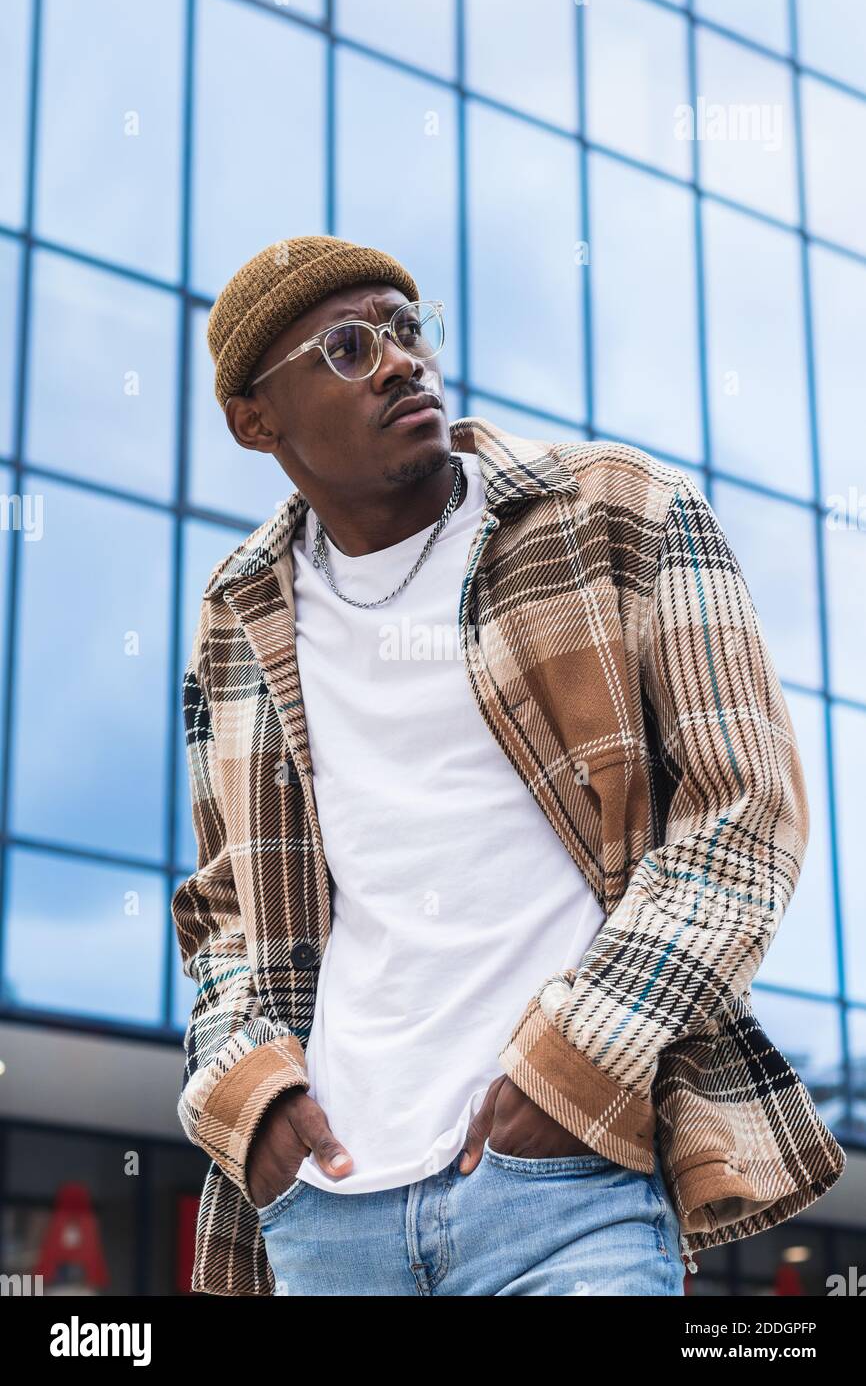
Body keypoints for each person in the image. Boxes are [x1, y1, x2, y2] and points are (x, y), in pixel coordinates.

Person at [171, 234, 845, 1297]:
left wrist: (570, 1059)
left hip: (564, 1181)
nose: (400, 361)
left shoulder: (620, 512)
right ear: (257, 419)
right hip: (328, 1209)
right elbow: (222, 908)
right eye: (347, 347)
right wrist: (247, 1092)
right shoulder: (238, 612)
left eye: (407, 329)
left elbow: (743, 813)